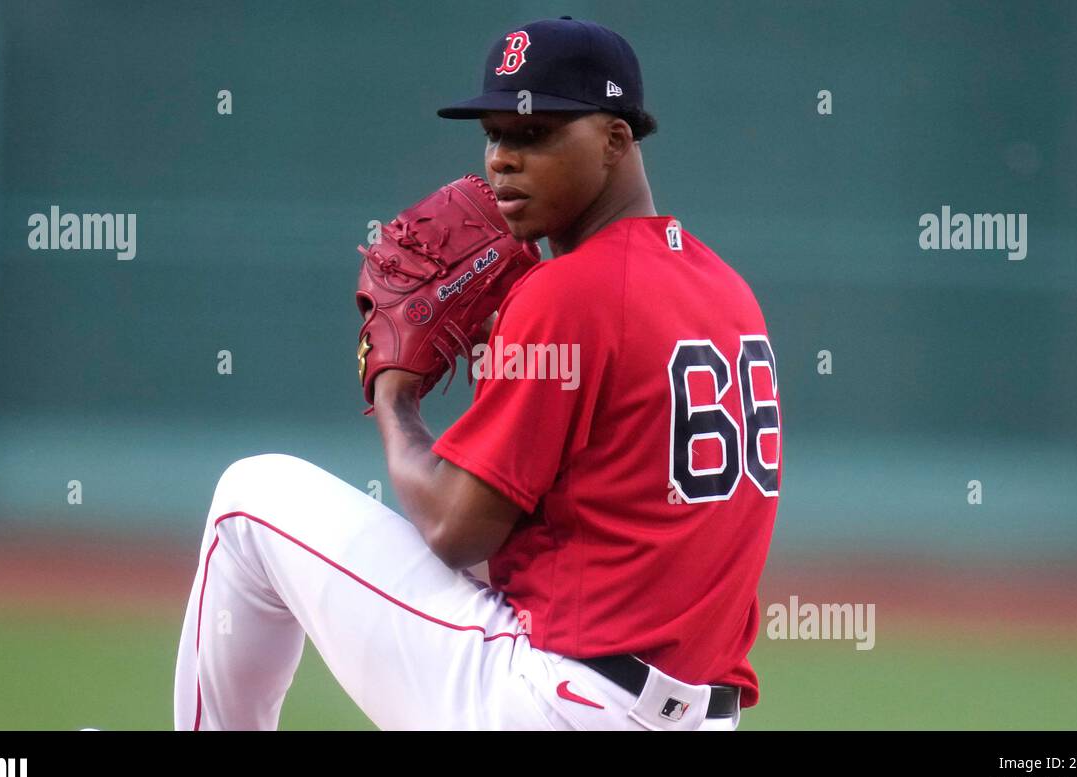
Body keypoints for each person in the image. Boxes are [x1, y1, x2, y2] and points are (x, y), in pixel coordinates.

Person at [173, 15, 781, 731]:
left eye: (535, 133)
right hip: (694, 715)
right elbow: (577, 520)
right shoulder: (726, 288)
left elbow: (457, 530)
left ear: (616, 139)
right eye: (494, 133)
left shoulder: (568, 293)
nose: (502, 159)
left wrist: (395, 396)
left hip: (561, 704)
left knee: (250, 498)